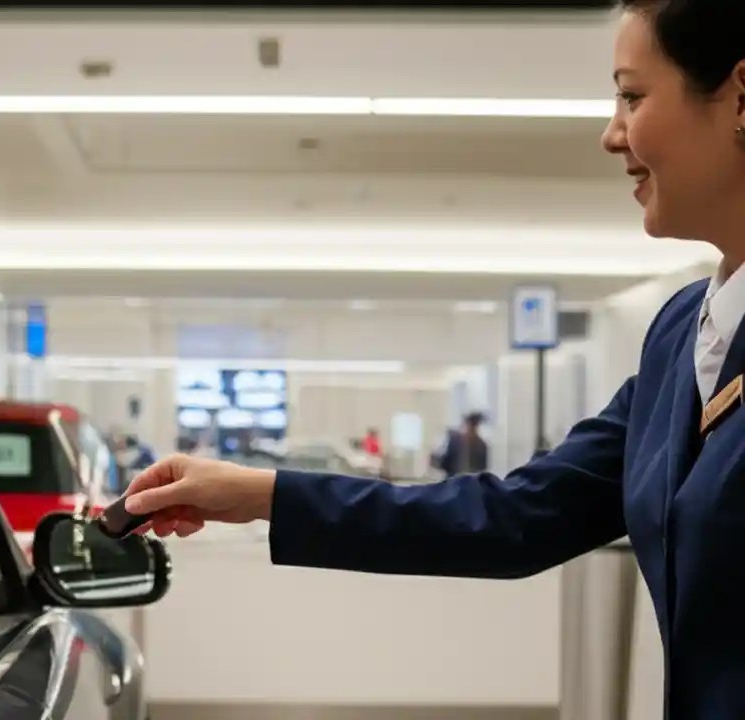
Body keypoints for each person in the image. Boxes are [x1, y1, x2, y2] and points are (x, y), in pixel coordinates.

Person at [123, 3, 745, 717]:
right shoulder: (678, 337)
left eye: (632, 96)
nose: (611, 134)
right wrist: (263, 493)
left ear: (740, 96)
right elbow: (517, 516)